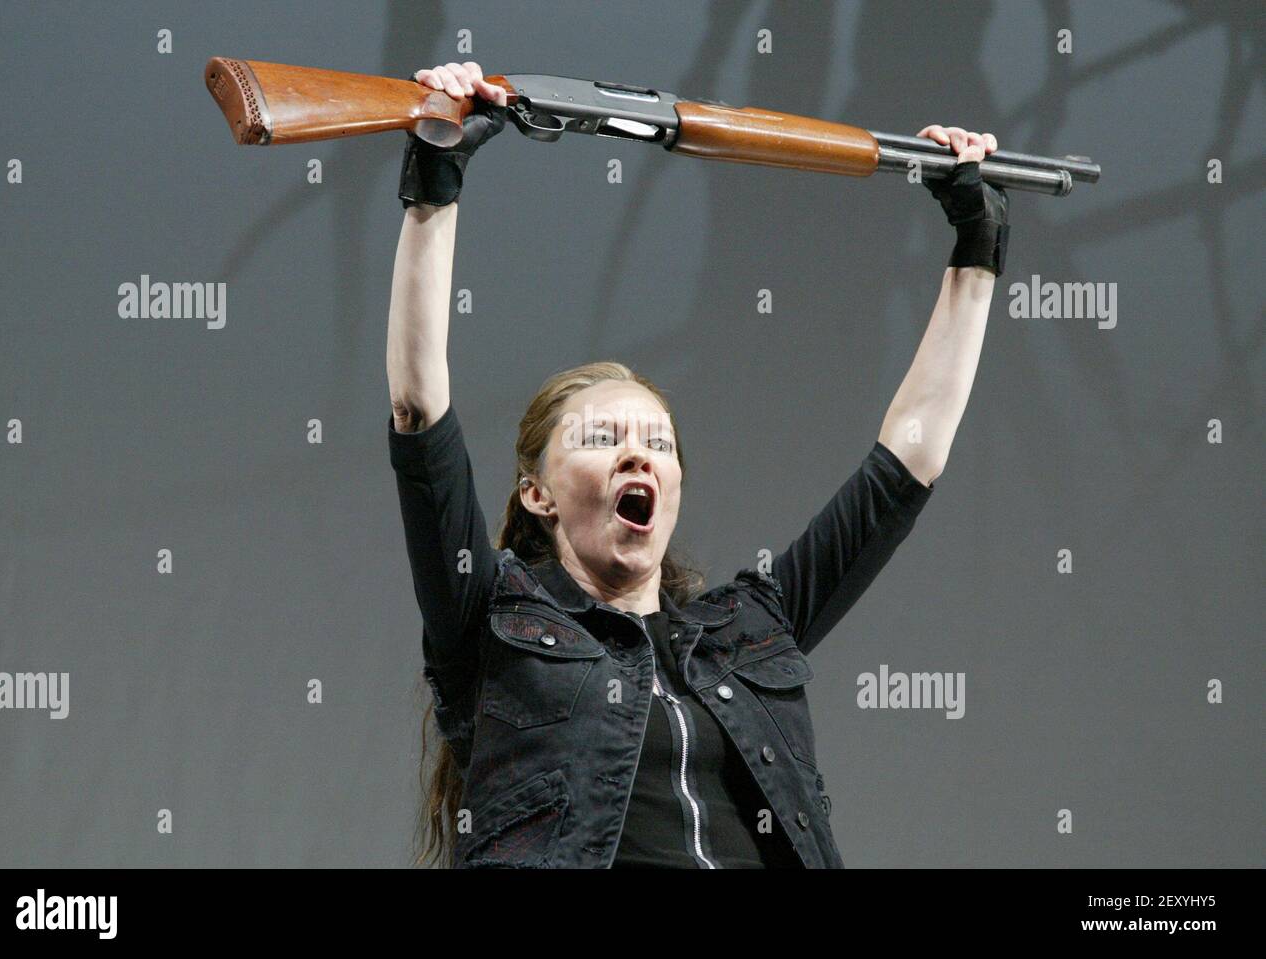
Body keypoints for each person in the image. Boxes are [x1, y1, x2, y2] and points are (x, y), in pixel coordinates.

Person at [387, 62, 1007, 868]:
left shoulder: (750, 627)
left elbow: (911, 457)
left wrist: (977, 245)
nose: (636, 451)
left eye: (656, 442)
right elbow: (419, 412)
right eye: (601, 438)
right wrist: (438, 174)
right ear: (537, 492)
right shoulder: (490, 618)